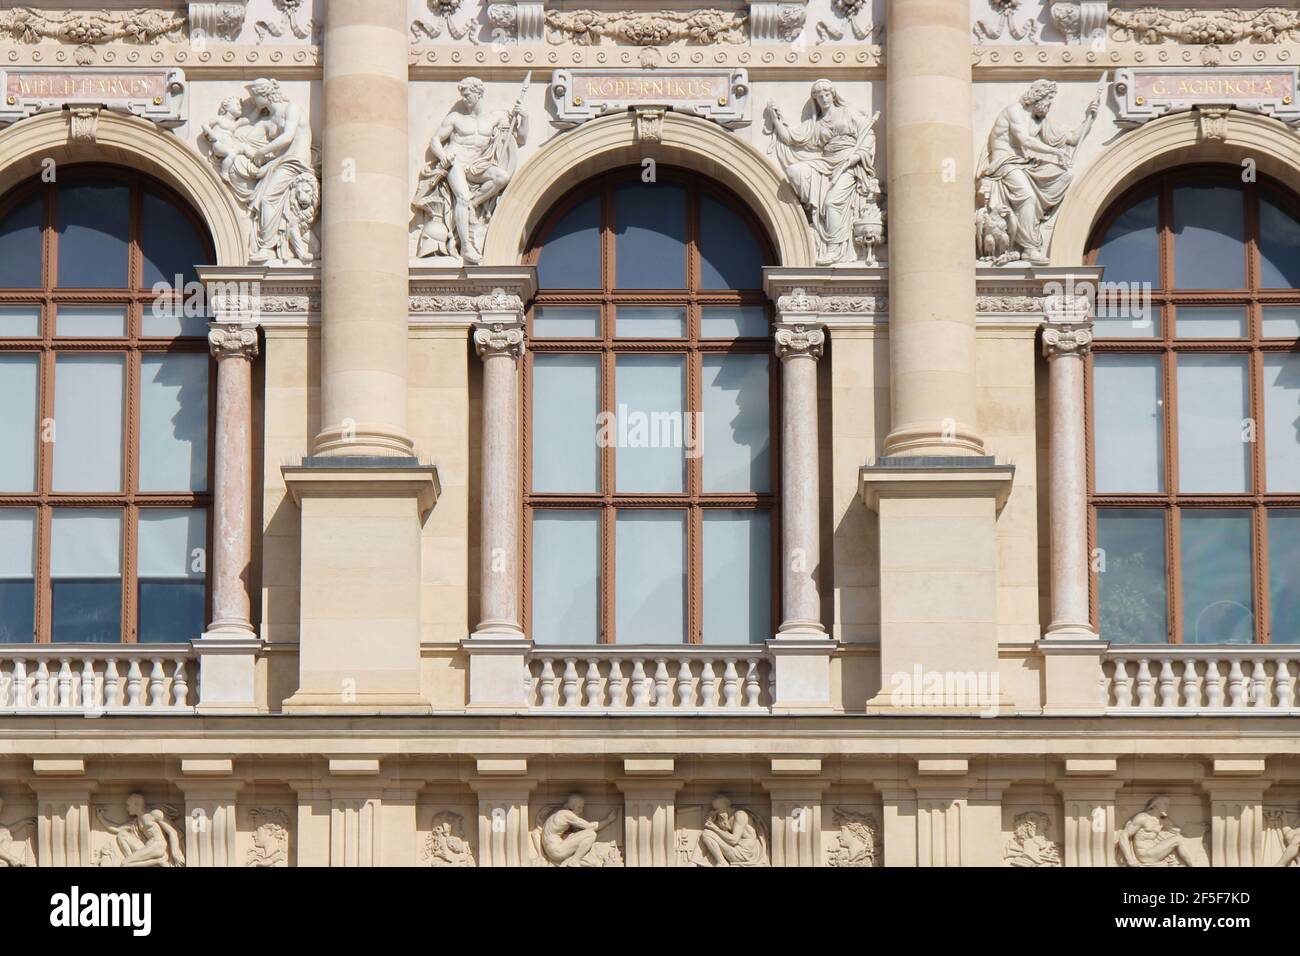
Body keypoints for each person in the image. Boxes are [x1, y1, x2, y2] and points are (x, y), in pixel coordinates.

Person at [975, 79, 1099, 264]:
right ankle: (1029, 248)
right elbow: (1025, 140)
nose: (1050, 103)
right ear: (1038, 96)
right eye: (1049, 98)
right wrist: (1055, 151)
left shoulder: (1040, 120)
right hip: (1004, 163)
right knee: (1027, 197)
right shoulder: (1014, 111)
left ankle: (1031, 223)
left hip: (1024, 164)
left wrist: (1089, 118)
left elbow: (1072, 138)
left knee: (1065, 175)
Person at [412, 76, 529, 264]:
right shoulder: (456, 119)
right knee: (462, 197)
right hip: (455, 162)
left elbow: (521, 139)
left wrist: (524, 117)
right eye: (463, 96)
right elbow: (435, 140)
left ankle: (473, 206)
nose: (464, 99)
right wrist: (443, 156)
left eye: (467, 95)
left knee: (502, 177)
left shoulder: (496, 117)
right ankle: (466, 246)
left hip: (477, 166)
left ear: (479, 93)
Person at [764, 79, 881, 266]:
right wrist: (775, 119)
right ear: (815, 100)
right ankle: (814, 216)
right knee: (795, 171)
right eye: (820, 97)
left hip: (849, 163)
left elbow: (868, 134)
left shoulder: (847, 112)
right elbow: (793, 138)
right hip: (827, 161)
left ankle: (834, 249)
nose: (824, 99)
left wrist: (856, 156)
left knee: (832, 202)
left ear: (833, 95)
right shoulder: (817, 124)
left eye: (827, 95)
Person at [96, 793, 185, 868]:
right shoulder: (137, 821)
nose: (127, 808)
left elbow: (172, 832)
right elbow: (117, 829)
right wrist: (101, 818)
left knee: (124, 864)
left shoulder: (154, 814)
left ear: (136, 804)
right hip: (148, 846)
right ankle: (135, 862)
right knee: (122, 834)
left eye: (128, 805)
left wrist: (175, 854)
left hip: (158, 846)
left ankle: (158, 862)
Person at [1119, 795, 1200, 867]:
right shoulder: (1143, 818)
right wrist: (1129, 859)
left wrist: (1199, 828)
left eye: (1168, 804)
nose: (1168, 807)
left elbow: (1180, 831)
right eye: (1165, 804)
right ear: (1156, 805)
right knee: (1178, 839)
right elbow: (1124, 835)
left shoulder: (1162, 821)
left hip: (1154, 853)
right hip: (1145, 855)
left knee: (1179, 838)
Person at [540, 795, 616, 866]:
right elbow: (590, 827)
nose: (581, 810)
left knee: (573, 835)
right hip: (557, 851)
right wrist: (609, 820)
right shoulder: (567, 815)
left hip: (552, 851)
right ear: (572, 806)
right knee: (591, 834)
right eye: (579, 807)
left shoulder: (558, 814)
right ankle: (574, 861)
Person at [692, 796, 766, 866]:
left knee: (706, 833)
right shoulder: (727, 818)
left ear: (724, 808)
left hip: (744, 853)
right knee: (705, 833)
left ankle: (722, 863)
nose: (716, 812)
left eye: (717, 809)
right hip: (737, 849)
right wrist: (713, 821)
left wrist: (714, 828)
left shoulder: (740, 815)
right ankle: (692, 862)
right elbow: (723, 835)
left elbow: (734, 840)